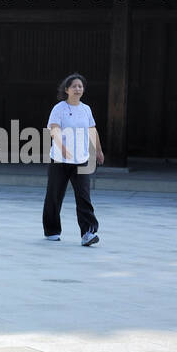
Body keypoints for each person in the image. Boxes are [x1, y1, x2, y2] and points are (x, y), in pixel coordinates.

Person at [43, 72, 103, 246]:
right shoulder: (59, 108)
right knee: (54, 195)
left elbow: (93, 130)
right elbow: (54, 129)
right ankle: (52, 230)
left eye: (80, 86)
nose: (78, 89)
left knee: (84, 196)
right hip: (59, 160)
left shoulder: (86, 109)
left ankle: (88, 233)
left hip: (81, 159)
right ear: (67, 89)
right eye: (74, 86)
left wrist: (98, 150)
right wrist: (62, 148)